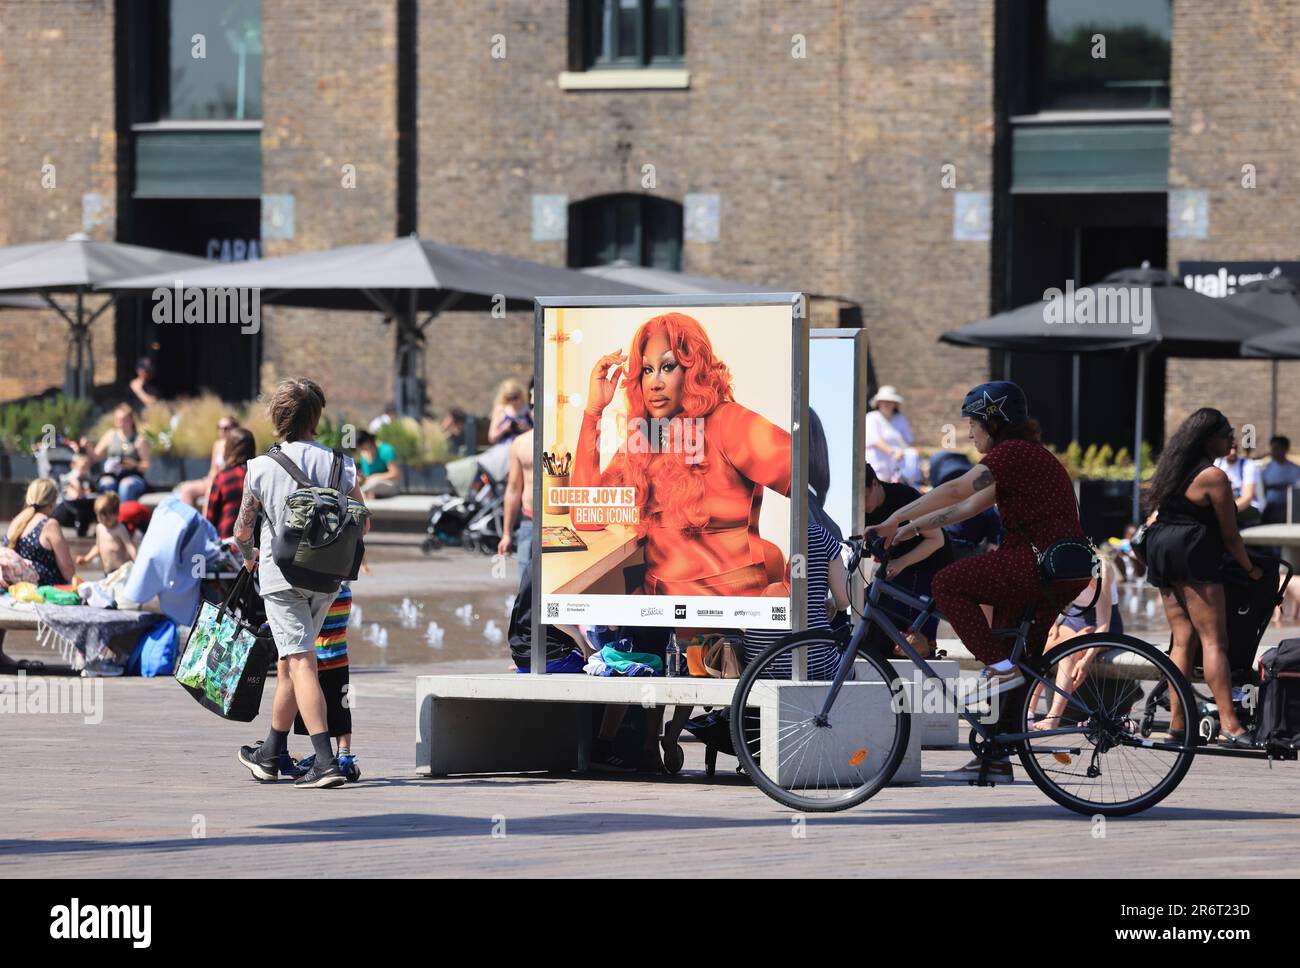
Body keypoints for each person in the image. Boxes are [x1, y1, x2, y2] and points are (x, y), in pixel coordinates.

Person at [868, 381, 1090, 783]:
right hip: (1060, 569)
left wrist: (892, 520)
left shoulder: (1012, 454)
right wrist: (907, 528)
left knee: (948, 583)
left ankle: (999, 669)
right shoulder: (1026, 456)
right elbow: (966, 506)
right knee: (1019, 657)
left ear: (994, 421)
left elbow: (955, 488)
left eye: (973, 422)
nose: (969, 433)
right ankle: (998, 758)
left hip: (1034, 561)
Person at [573, 312, 791, 597]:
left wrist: (790, 590)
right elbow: (587, 515)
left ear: (692, 369)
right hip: (663, 622)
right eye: (647, 370)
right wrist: (593, 412)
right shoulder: (647, 437)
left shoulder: (728, 423)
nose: (654, 383)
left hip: (730, 619)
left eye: (668, 366)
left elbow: (809, 484)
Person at [233, 378, 369, 789]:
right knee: (289, 660)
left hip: (282, 577)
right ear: (317, 416)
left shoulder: (259, 468)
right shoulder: (340, 464)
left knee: (301, 660)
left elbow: (243, 529)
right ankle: (271, 753)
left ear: (278, 417)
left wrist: (248, 555)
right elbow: (365, 519)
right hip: (326, 577)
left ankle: (325, 761)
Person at [1141, 408, 1261, 748]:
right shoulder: (1213, 476)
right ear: (1210, 439)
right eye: (1227, 433)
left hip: (1162, 549)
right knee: (1214, 641)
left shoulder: (1172, 471)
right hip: (1193, 552)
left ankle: (1177, 725)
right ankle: (1230, 726)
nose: (1233, 439)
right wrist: (1251, 570)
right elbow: (1231, 536)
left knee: (1182, 640)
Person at [862, 462, 951, 657]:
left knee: (913, 635)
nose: (862, 504)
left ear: (875, 484)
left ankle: (926, 648)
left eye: (865, 496)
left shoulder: (904, 497)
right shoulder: (858, 512)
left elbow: (937, 540)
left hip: (930, 564)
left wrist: (901, 562)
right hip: (897, 568)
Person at [1028, 550, 1123, 731]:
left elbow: (1104, 624)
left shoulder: (1099, 568)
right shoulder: (1064, 560)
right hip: (1074, 618)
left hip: (1102, 623)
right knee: (1040, 647)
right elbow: (1053, 598)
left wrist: (1086, 660)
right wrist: (1052, 623)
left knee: (1068, 653)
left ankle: (1054, 717)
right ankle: (1028, 712)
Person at [284, 584, 361, 783]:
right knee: (341, 709)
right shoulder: (345, 592)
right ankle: (344, 755)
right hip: (340, 661)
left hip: (315, 664)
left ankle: (323, 755)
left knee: (318, 711)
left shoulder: (318, 594)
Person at [4, 479, 76, 587]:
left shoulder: (16, 522)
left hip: (18, 590)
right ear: (52, 502)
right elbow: (67, 569)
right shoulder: (49, 525)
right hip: (46, 593)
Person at [498, 380, 535, 587]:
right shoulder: (521, 443)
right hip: (529, 522)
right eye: (531, 406)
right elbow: (513, 489)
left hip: (562, 524)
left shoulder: (569, 440)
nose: (534, 411)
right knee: (525, 589)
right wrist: (506, 533)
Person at [87, 404, 151, 502]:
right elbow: (95, 457)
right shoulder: (110, 435)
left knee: (125, 486)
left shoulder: (139, 440)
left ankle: (123, 516)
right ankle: (107, 515)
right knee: (106, 484)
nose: (120, 423)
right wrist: (87, 446)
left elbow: (146, 465)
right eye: (118, 419)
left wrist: (135, 465)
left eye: (123, 419)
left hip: (133, 476)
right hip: (112, 475)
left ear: (131, 420)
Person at [204, 427, 256, 540]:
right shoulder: (258, 476)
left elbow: (210, 517)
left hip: (227, 542)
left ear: (229, 449)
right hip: (255, 545)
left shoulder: (223, 477)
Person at [178, 415, 239, 507]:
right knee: (186, 489)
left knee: (210, 494)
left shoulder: (238, 446)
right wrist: (211, 481)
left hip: (227, 482)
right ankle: (191, 520)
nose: (222, 431)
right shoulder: (217, 445)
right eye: (219, 428)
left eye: (226, 428)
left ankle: (206, 521)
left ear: (234, 429)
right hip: (214, 480)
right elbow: (213, 469)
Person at [865, 385, 921, 486]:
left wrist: (905, 453)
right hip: (878, 466)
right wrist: (892, 452)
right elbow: (875, 440)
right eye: (884, 401)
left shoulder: (901, 419)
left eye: (890, 401)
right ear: (879, 403)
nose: (887, 404)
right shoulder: (872, 418)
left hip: (897, 467)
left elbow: (907, 441)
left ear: (895, 404)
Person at [75, 493, 137, 576]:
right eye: (101, 519)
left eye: (108, 519)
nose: (105, 522)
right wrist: (86, 558)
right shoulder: (99, 528)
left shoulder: (120, 529)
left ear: (117, 514)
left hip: (121, 572)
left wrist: (137, 561)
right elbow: (98, 547)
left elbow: (129, 546)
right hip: (107, 571)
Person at [1214, 437, 1264, 527]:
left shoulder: (1248, 465)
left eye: (1235, 448)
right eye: (1229, 448)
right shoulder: (1217, 464)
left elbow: (1247, 497)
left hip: (1247, 509)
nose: (1233, 452)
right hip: (1225, 508)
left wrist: (1227, 511)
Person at [53, 454, 97, 537]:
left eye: (87, 468)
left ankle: (85, 531)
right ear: (74, 466)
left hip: (81, 506)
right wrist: (77, 486)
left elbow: (88, 492)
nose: (85, 470)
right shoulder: (70, 477)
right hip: (65, 509)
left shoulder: (86, 478)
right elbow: (75, 495)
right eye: (82, 467)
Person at [1260, 435, 1300, 525]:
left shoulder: (1296, 470)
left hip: (1288, 511)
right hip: (1268, 510)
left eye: (1277, 448)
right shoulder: (1265, 469)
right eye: (1273, 448)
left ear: (1285, 449)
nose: (1274, 452)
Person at [356, 431, 401, 498]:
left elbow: (395, 474)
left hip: (389, 484)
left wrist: (375, 477)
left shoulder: (386, 450)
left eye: (362, 446)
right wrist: (360, 479)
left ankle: (361, 493)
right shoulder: (363, 454)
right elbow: (366, 477)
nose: (362, 450)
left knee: (375, 483)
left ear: (368, 441)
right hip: (369, 485)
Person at [488, 379, 533, 446]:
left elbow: (538, 434)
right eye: (508, 398)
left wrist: (525, 428)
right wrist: (505, 428)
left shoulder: (529, 409)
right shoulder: (500, 410)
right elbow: (492, 437)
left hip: (524, 445)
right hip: (504, 447)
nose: (512, 401)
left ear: (521, 394)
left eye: (515, 397)